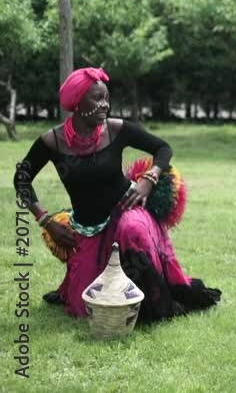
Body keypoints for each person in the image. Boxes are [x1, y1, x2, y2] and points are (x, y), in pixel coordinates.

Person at [14, 67, 220, 322]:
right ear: (77, 102)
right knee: (82, 308)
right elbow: (21, 179)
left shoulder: (115, 129)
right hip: (88, 227)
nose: (105, 105)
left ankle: (148, 301)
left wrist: (149, 178)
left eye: (106, 98)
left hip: (127, 210)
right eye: (97, 98)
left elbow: (163, 148)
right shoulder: (52, 141)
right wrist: (46, 221)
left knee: (133, 230)